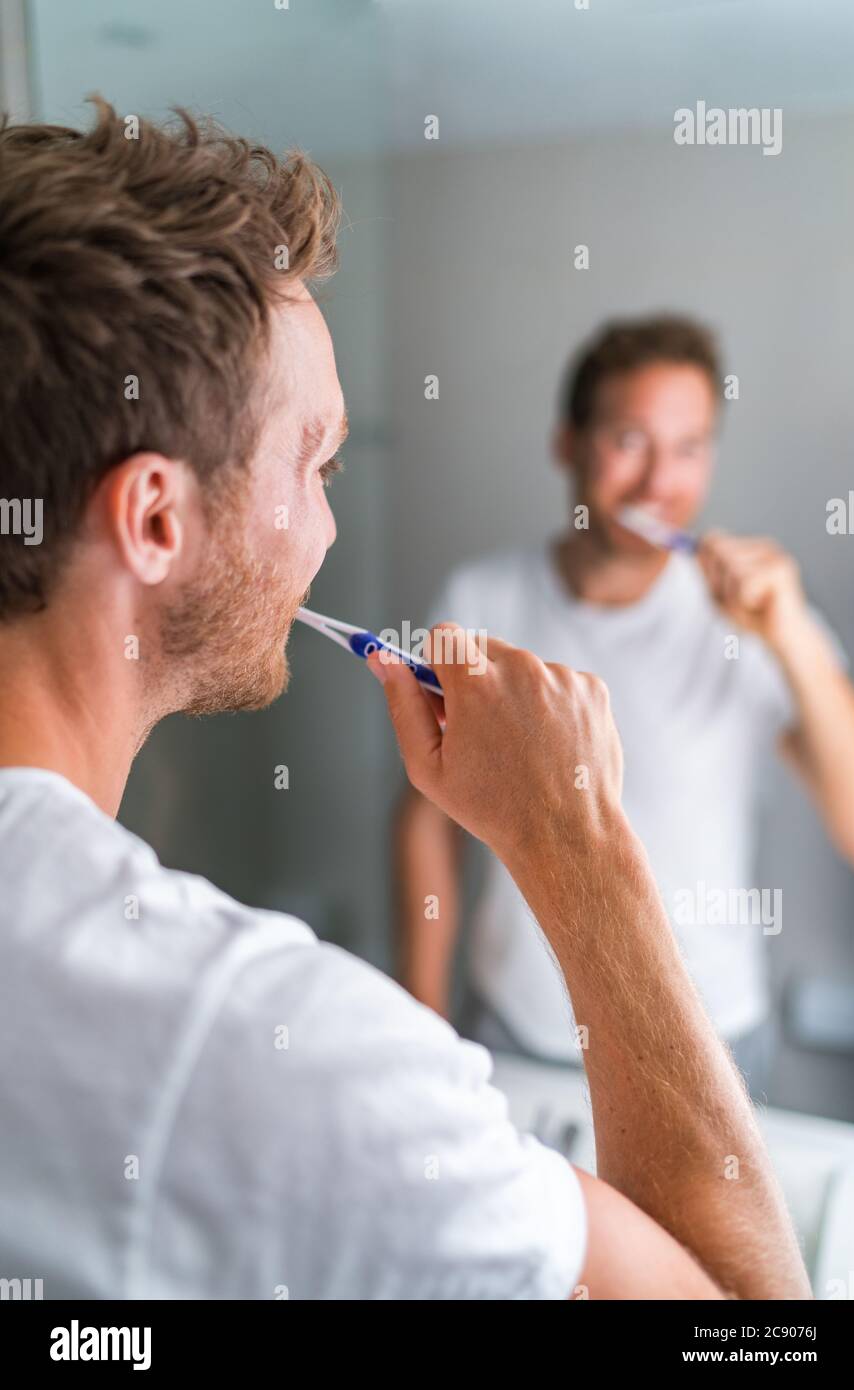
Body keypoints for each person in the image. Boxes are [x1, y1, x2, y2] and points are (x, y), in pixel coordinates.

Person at [0, 101, 810, 1300]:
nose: (329, 526)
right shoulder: (262, 1043)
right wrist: (575, 841)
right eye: (316, 465)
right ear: (158, 517)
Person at [396, 316, 854, 1096]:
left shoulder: (755, 624)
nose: (659, 484)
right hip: (516, 1028)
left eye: (689, 448)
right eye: (629, 440)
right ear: (568, 445)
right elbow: (426, 820)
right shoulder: (479, 601)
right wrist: (421, 1023)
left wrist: (788, 634)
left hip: (708, 1046)